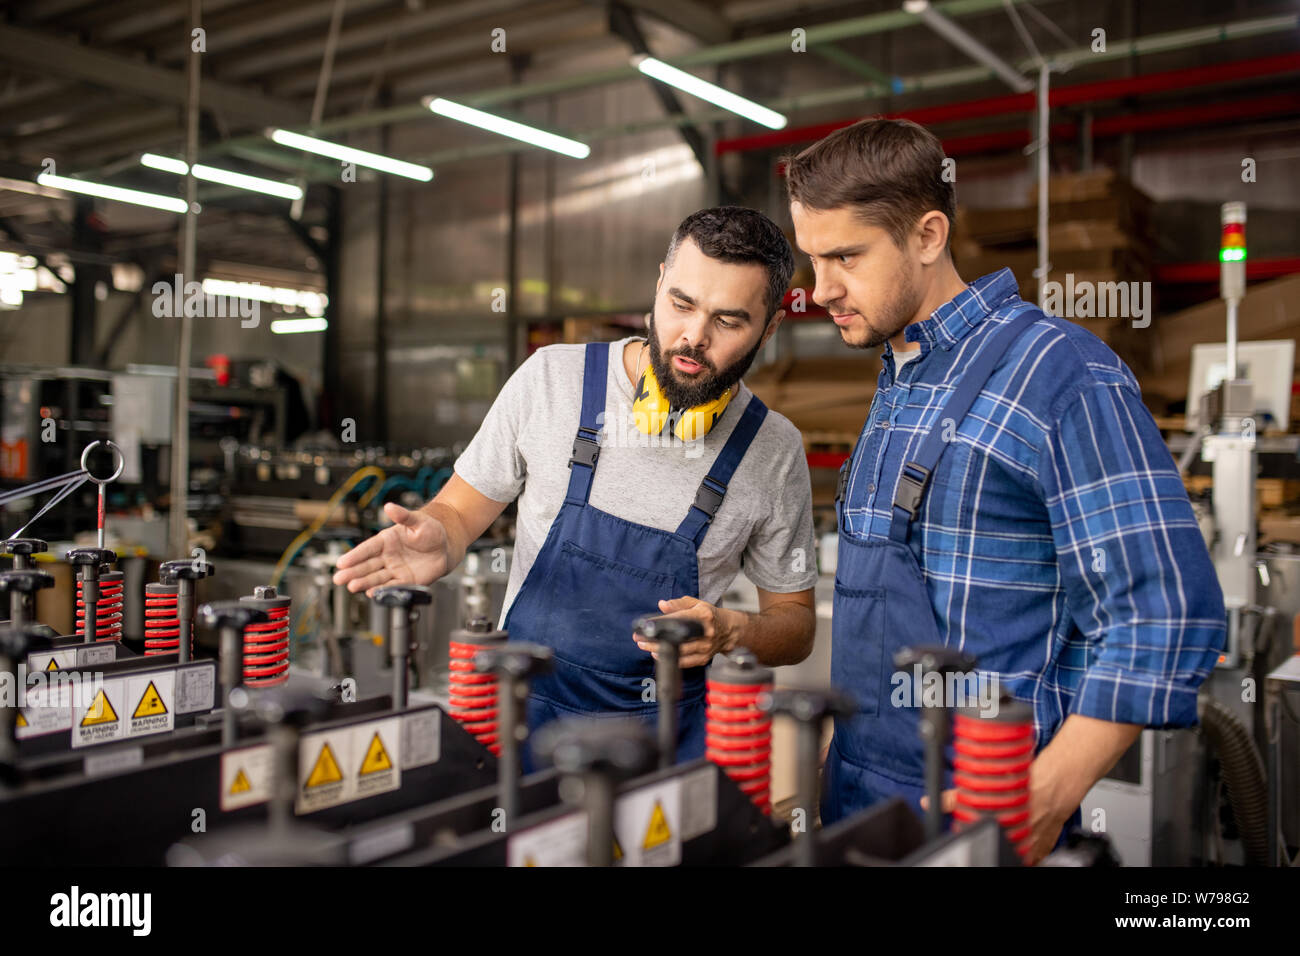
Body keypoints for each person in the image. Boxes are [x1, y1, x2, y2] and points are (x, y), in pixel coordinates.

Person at [785, 118, 1225, 863]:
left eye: (845, 257)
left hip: (986, 816)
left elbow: (1165, 614)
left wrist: (1047, 795)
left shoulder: (1061, 375)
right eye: (812, 260)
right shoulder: (903, 375)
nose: (820, 289)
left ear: (928, 236)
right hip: (860, 800)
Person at [334, 206, 818, 765]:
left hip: (662, 745)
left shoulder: (773, 451)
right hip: (522, 722)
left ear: (771, 327)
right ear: (659, 281)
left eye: (728, 321)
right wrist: (441, 538)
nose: (693, 337)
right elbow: (459, 514)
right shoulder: (551, 380)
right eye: (680, 303)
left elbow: (796, 625)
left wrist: (732, 631)